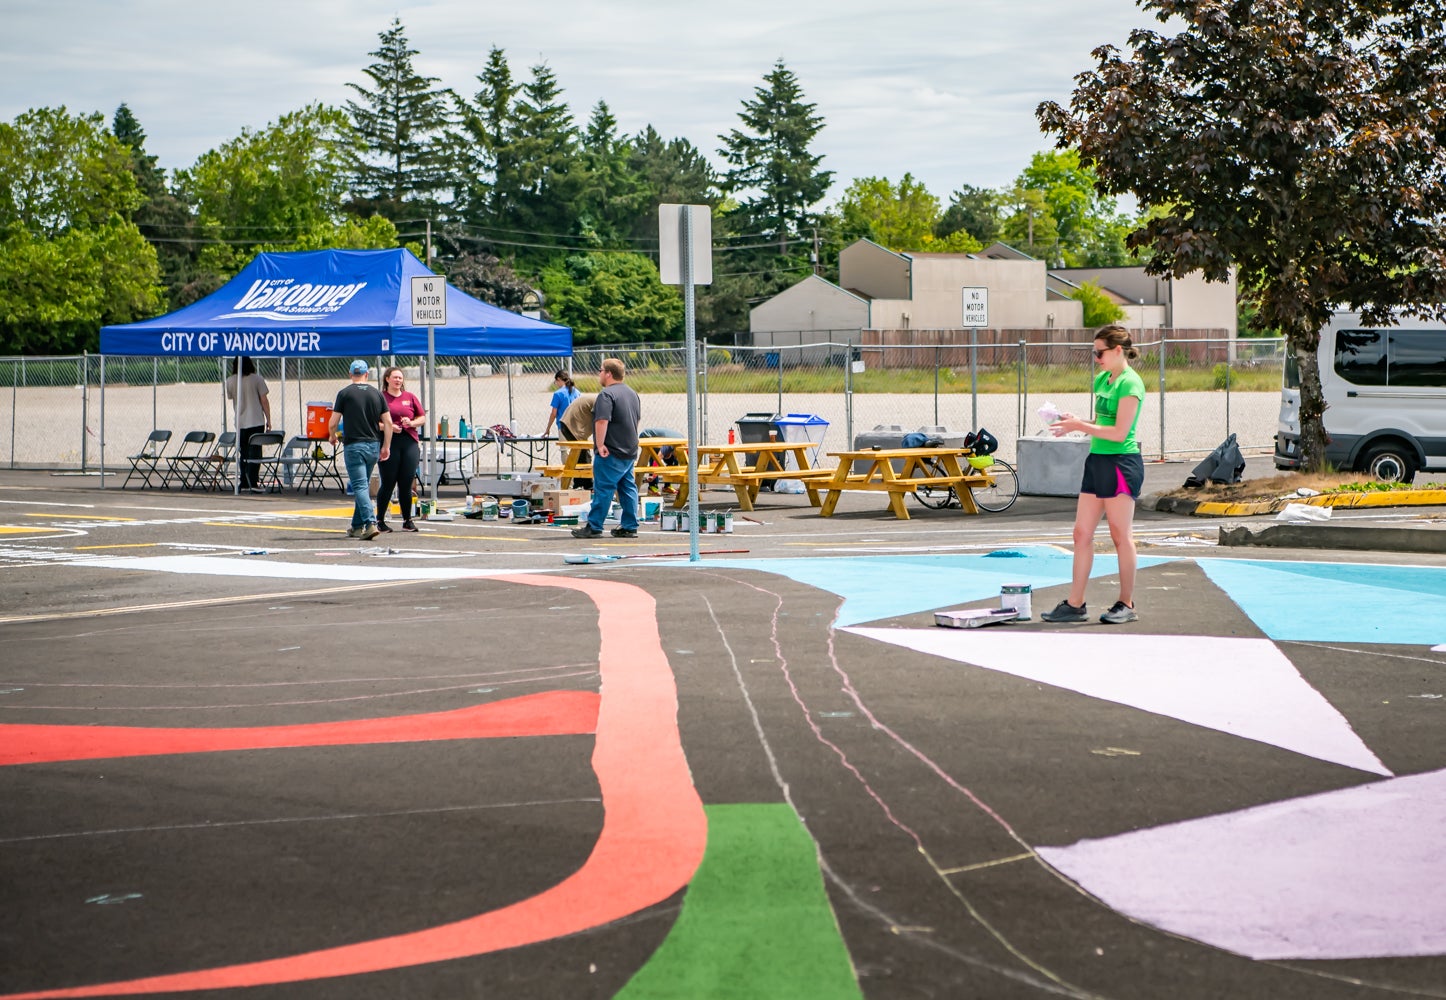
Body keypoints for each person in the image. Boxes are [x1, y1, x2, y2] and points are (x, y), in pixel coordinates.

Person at [1040, 324, 1146, 625]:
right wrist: (1076, 421)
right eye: (1093, 352)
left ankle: (1126, 603)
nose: (1095, 357)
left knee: (1119, 535)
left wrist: (1080, 427)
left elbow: (1119, 432)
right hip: (1097, 461)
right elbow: (1100, 422)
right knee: (1081, 533)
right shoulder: (1103, 379)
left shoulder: (1130, 383)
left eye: (1099, 352)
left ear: (1117, 351)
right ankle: (1075, 604)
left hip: (1121, 463)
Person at [571, 358, 640, 539]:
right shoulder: (632, 394)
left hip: (611, 449)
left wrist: (600, 444)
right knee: (627, 488)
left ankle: (594, 526)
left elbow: (602, 420)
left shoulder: (606, 395)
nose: (599, 374)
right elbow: (636, 420)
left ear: (609, 373)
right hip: (629, 449)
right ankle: (630, 525)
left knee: (604, 488)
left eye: (601, 370)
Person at [328, 360, 393, 541]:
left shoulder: (344, 394)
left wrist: (332, 436)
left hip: (354, 445)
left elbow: (333, 422)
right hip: (373, 444)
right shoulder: (377, 394)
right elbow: (388, 422)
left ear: (350, 374)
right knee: (362, 484)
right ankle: (356, 527)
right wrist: (386, 445)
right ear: (367, 374)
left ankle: (370, 523)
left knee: (360, 486)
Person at [376, 366, 425, 532]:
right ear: (387, 379)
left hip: (409, 441)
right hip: (389, 443)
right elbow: (374, 422)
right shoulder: (380, 397)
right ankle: (380, 520)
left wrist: (411, 423)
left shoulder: (410, 397)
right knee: (388, 483)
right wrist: (388, 427)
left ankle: (407, 520)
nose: (398, 380)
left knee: (406, 483)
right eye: (395, 377)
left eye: (400, 378)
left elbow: (422, 417)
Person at [225, 356, 271, 493]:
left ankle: (244, 480)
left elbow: (231, 397)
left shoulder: (230, 381)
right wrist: (269, 419)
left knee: (243, 452)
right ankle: (253, 480)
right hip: (256, 420)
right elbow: (264, 400)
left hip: (240, 421)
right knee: (255, 453)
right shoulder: (257, 379)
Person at [558, 391, 597, 491]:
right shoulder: (603, 402)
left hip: (568, 423)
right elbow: (601, 421)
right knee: (583, 455)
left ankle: (579, 485)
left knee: (581, 455)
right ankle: (587, 486)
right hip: (571, 425)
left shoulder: (601, 399)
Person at [543, 369, 579, 437]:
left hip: (564, 427)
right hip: (576, 427)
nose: (556, 384)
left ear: (558, 379)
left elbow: (553, 414)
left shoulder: (558, 394)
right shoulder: (577, 392)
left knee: (564, 447)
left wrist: (548, 429)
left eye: (555, 382)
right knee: (575, 447)